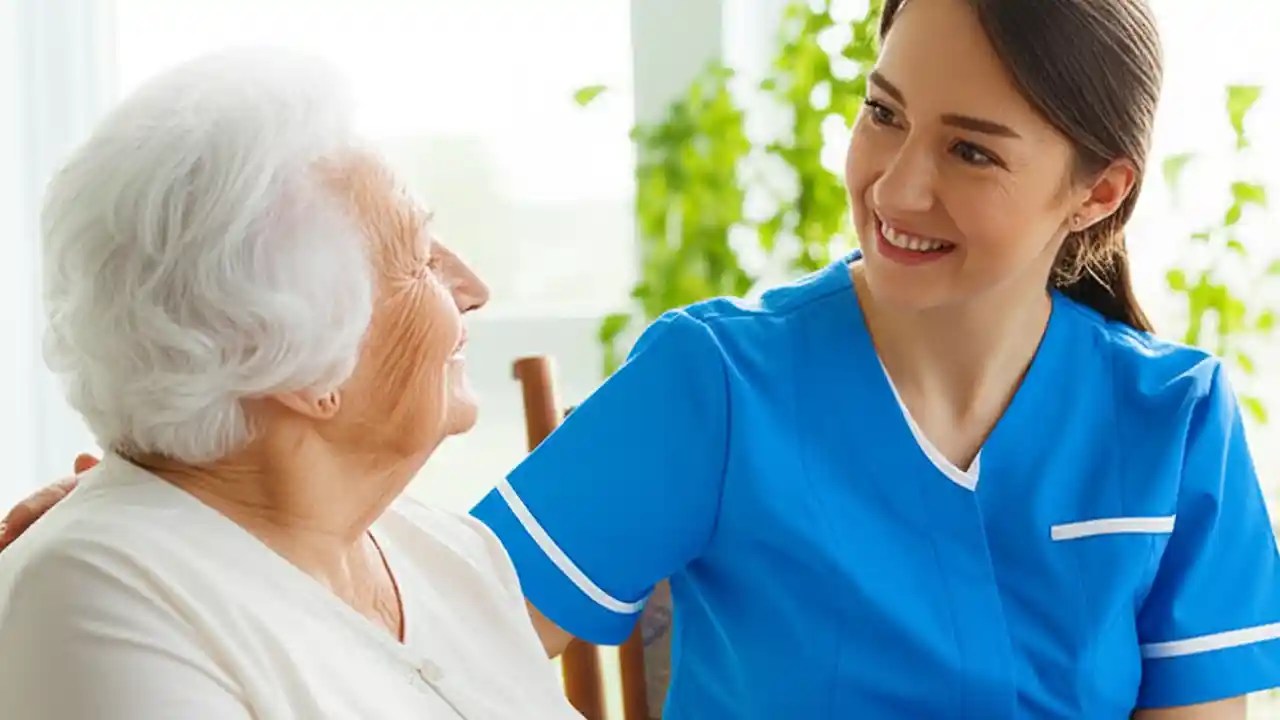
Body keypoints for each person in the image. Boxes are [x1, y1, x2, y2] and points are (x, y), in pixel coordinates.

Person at [5, 1, 1279, 718]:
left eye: (972, 150)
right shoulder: (716, 383)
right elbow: (435, 623)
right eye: (882, 113)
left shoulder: (1173, 424)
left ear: (1095, 193)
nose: (894, 182)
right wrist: (187, 524)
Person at [0, 49, 581, 719]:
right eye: (421, 260)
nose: (474, 289)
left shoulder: (454, 557)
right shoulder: (97, 599)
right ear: (303, 369)